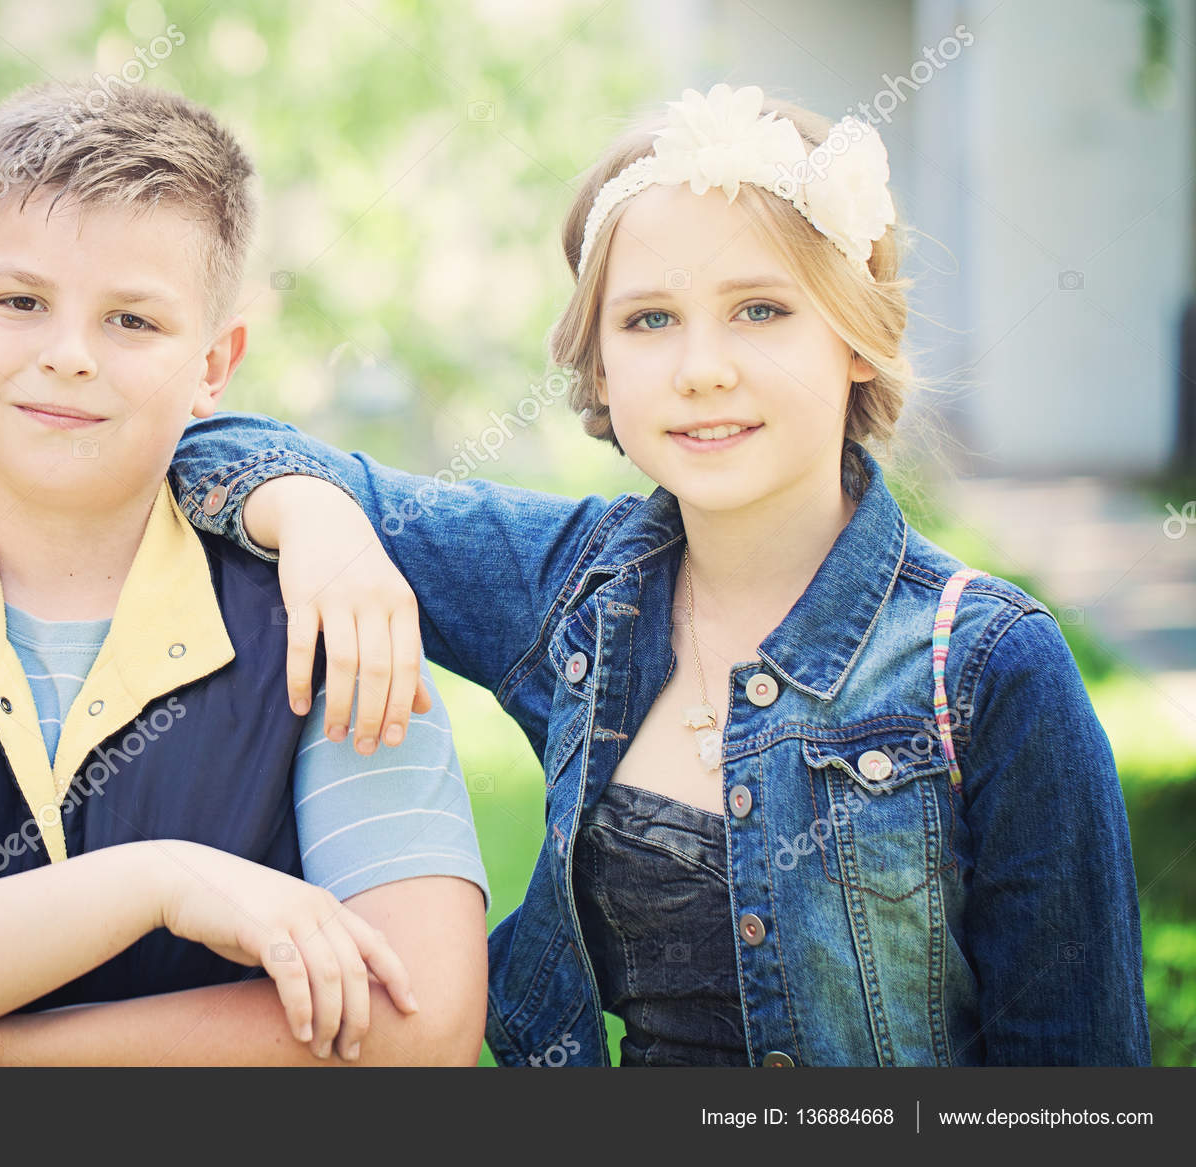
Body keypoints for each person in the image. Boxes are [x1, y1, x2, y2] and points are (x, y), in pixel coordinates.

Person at [165, 84, 1151, 1065]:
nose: (700, 369)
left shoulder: (983, 667)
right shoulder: (566, 587)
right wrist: (321, 523)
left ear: (857, 338)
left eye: (759, 310)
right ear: (596, 368)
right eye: (648, 321)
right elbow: (205, 443)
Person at [0, 80, 488, 1068]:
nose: (68, 355)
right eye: (21, 301)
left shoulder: (332, 628)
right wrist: (149, 884)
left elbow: (422, 1026)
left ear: (214, 365)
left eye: (132, 322)